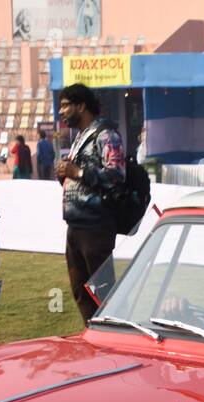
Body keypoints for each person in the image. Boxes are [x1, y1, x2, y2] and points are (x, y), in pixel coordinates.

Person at [56, 82, 124, 321]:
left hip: (96, 225)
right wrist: (65, 175)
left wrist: (78, 173)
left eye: (65, 105)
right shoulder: (80, 137)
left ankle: (113, 340)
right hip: (76, 225)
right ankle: (93, 337)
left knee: (102, 291)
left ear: (81, 105)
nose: (61, 111)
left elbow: (117, 175)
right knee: (80, 291)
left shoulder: (106, 134)